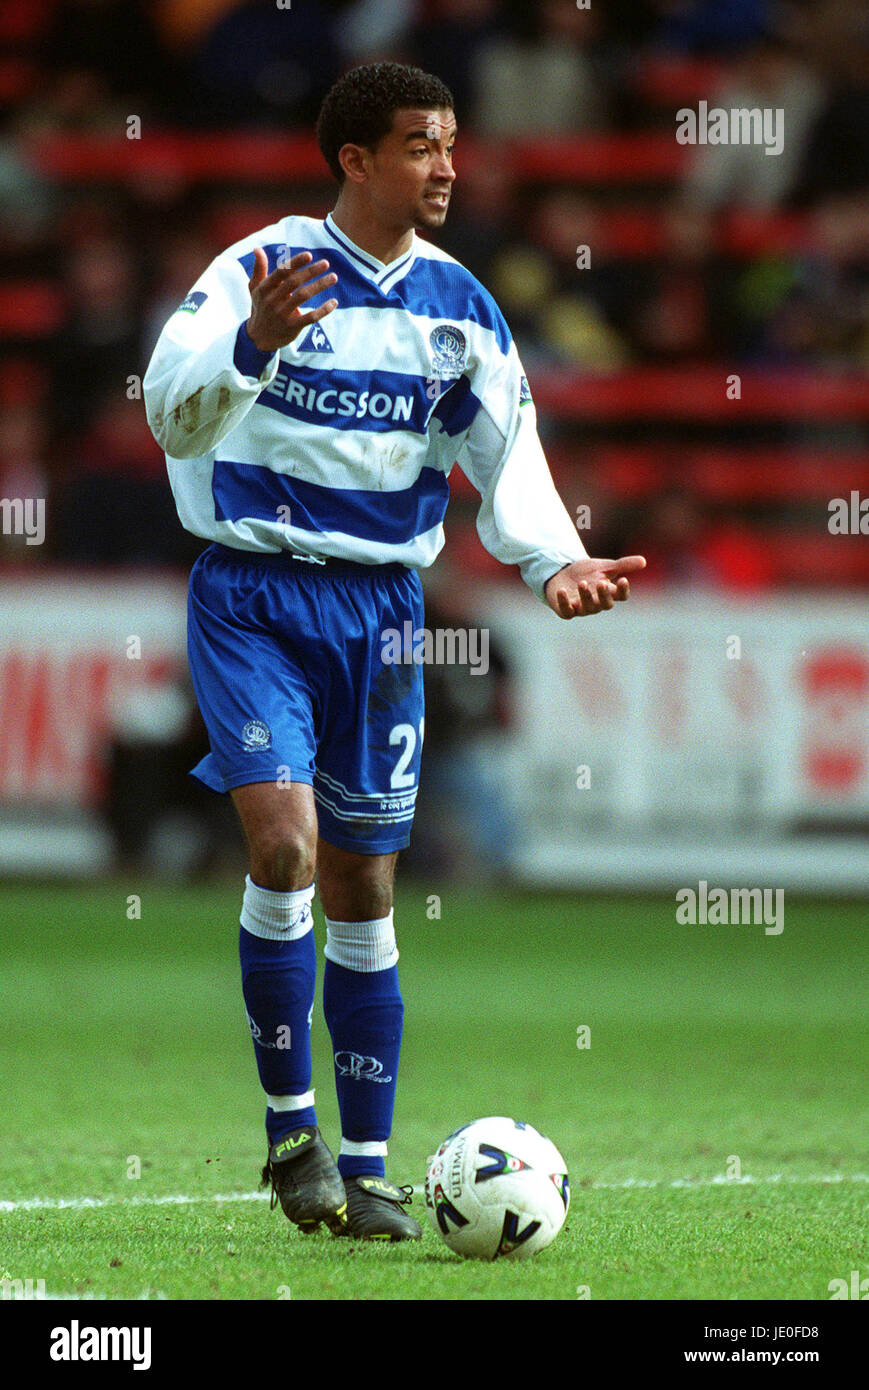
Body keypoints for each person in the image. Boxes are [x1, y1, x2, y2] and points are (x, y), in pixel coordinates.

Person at [143, 61, 645, 1243]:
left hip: (380, 613)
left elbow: (504, 449)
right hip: (253, 595)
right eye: (420, 144)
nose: (446, 165)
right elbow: (170, 410)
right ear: (355, 160)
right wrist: (252, 348)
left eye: (452, 142)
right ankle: (290, 1137)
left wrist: (549, 559)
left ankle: (367, 1170)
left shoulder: (459, 306)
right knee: (284, 847)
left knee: (365, 885)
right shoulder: (259, 269)